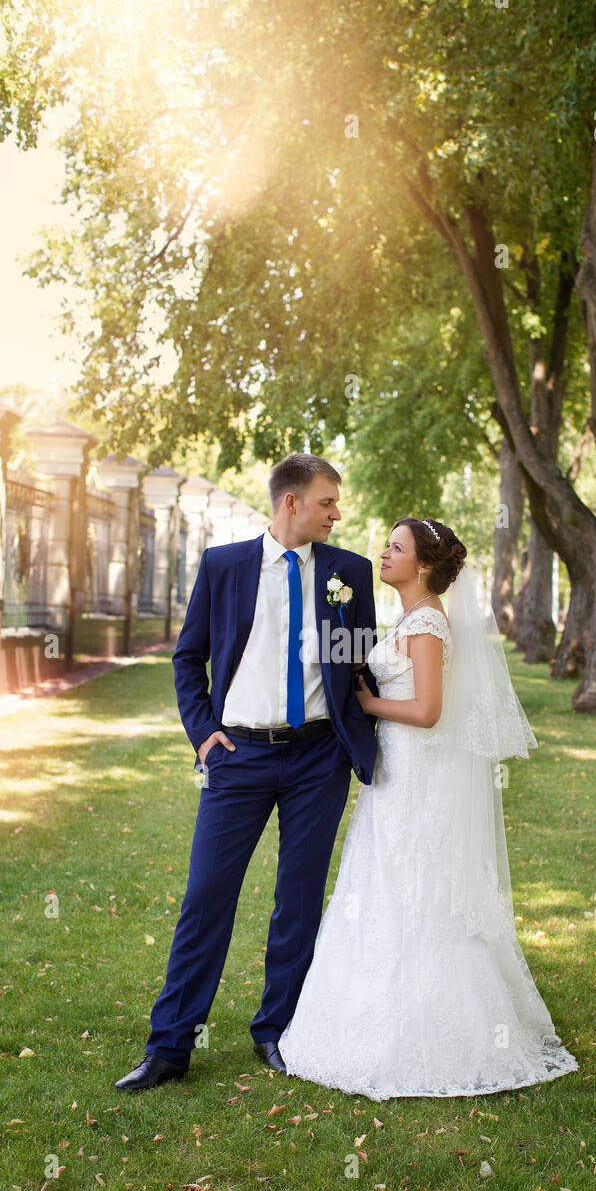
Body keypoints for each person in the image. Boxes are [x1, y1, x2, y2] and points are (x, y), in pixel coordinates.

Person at [278, 516, 578, 1099]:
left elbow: (428, 711)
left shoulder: (426, 622)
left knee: (414, 885)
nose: (383, 554)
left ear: (422, 566)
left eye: (396, 547)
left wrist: (367, 702)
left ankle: (436, 1031)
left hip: (417, 770)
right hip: (400, 771)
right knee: (390, 881)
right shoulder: (412, 618)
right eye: (386, 545)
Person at [116, 453, 379, 1091]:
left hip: (319, 758)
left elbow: (361, 665)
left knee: (299, 897)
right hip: (238, 757)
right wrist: (205, 735)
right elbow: (189, 658)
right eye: (326, 502)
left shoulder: (349, 573)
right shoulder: (224, 566)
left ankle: (279, 1031)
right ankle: (171, 1046)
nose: (336, 513)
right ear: (291, 502)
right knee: (207, 896)